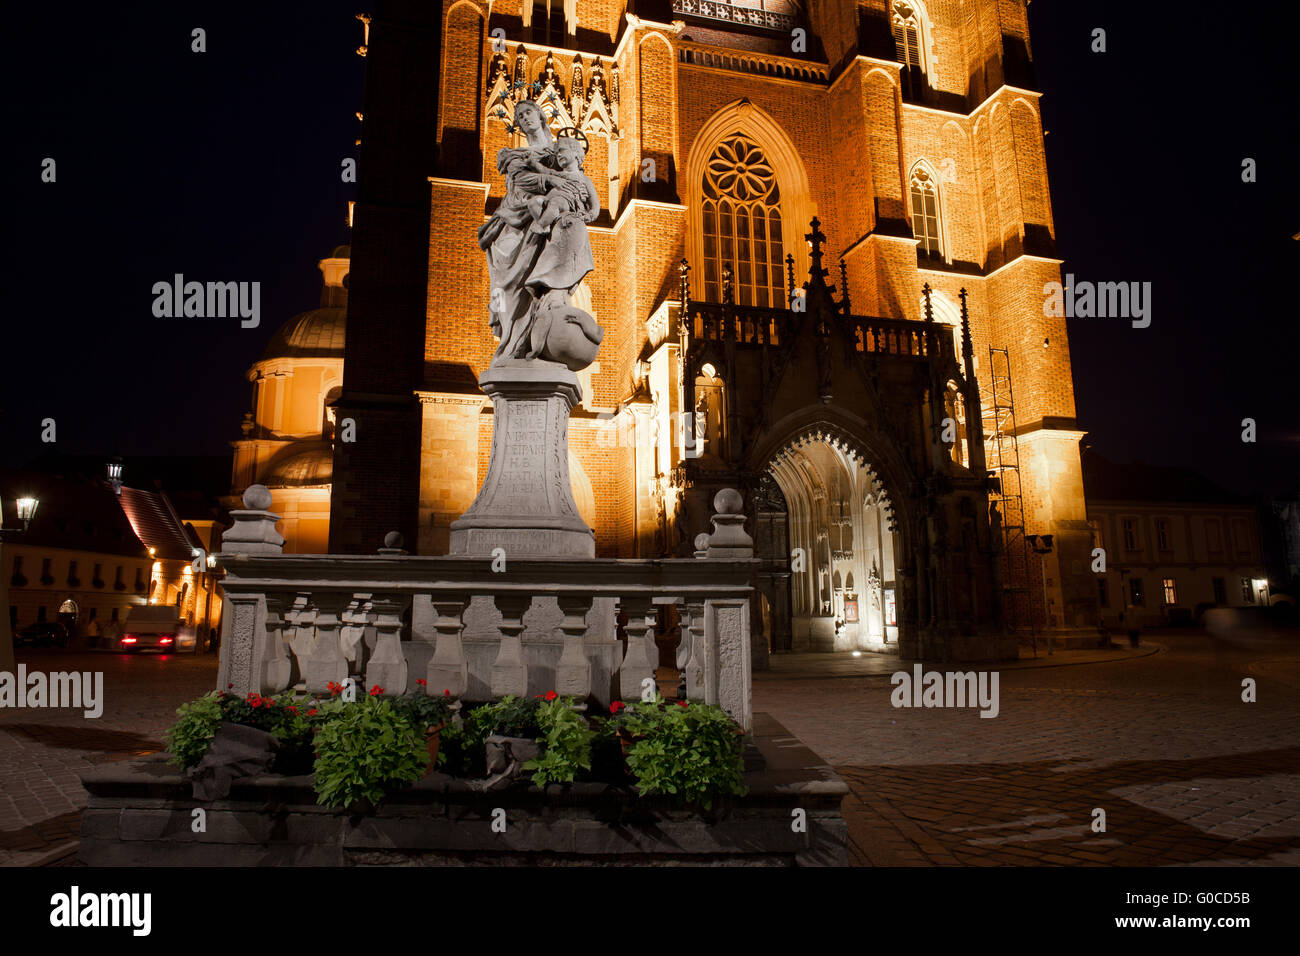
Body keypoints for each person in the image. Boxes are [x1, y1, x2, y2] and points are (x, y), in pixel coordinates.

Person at [525, 138, 600, 236]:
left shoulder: (584, 179)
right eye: (556, 154)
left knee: (556, 202)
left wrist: (590, 215)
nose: (558, 155)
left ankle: (541, 225)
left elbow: (595, 204)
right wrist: (532, 163)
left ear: (575, 153)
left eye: (561, 150)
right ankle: (547, 226)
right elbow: (546, 171)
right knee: (534, 202)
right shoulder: (558, 174)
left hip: (569, 202)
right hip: (551, 199)